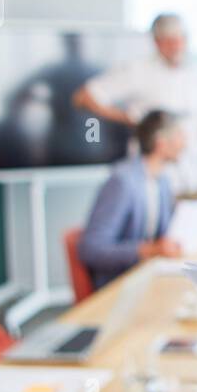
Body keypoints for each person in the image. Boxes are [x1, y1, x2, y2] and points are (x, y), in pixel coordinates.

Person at [73, 13, 197, 197]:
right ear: (157, 42)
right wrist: (132, 119)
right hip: (155, 182)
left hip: (196, 180)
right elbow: (83, 97)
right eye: (169, 41)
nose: (177, 46)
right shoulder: (139, 71)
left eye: (181, 39)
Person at [78, 111, 184, 289]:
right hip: (120, 286)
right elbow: (91, 249)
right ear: (161, 142)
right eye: (179, 135)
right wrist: (147, 250)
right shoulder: (123, 182)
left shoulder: (162, 181)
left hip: (149, 278)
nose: (184, 142)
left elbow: (161, 236)